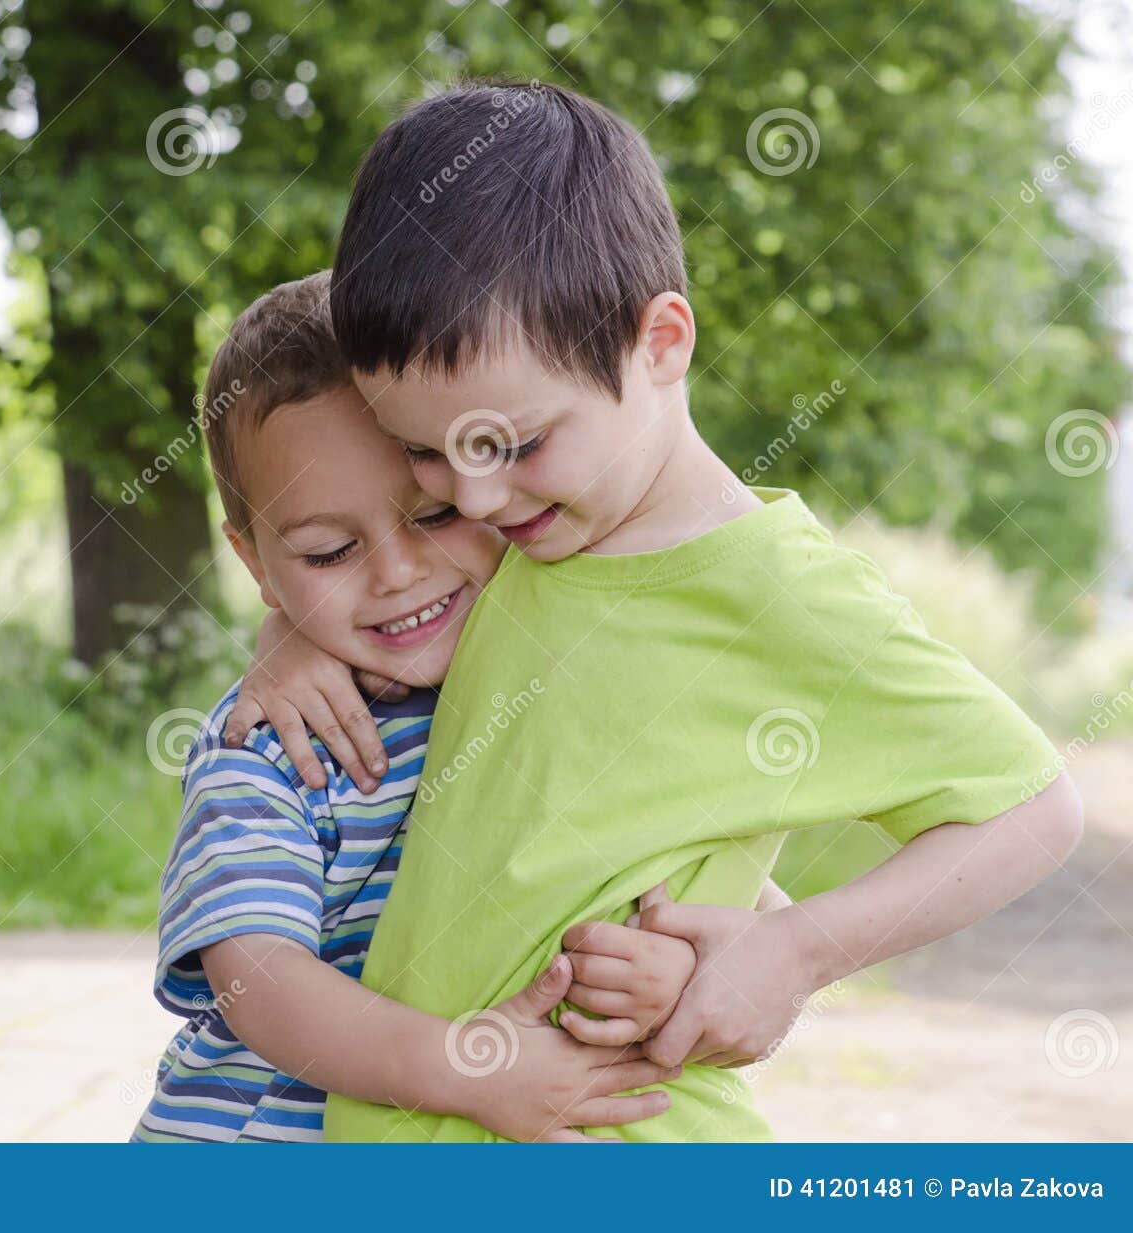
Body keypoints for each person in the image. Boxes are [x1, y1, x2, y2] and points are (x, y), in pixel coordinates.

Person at [240, 82, 1082, 1142]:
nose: (475, 497)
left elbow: (1031, 808)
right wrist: (282, 641)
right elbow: (372, 576)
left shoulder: (778, 594)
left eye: (517, 443)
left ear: (660, 343)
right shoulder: (524, 532)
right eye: (425, 452)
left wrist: (791, 951)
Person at [131, 271, 698, 1143]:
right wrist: (467, 1069)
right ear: (255, 565)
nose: (398, 574)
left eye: (435, 513)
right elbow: (256, 978)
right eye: (328, 551)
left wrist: (672, 961)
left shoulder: (570, 692)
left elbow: (703, 887)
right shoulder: (274, 742)